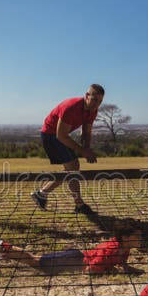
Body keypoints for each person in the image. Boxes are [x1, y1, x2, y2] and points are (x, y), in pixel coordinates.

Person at [31, 84, 104, 215]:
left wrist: (86, 147)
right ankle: (79, 205)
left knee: (71, 169)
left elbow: (87, 131)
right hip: (50, 135)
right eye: (94, 100)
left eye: (99, 101)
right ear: (87, 96)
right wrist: (82, 151)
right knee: (73, 167)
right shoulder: (71, 107)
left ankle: (41, 194)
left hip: (59, 136)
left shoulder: (93, 110)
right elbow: (61, 135)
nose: (96, 104)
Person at [0, 220, 143, 274]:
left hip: (74, 259)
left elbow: (121, 263)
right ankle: (0, 246)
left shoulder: (124, 248)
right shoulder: (110, 250)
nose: (140, 238)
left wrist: (130, 269)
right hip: (73, 260)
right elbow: (91, 270)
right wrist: (109, 271)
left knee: (37, 263)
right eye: (137, 236)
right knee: (36, 261)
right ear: (126, 237)